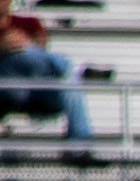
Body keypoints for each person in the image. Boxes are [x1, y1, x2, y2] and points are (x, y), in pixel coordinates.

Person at [0, 0, 94, 153]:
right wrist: (3, 46)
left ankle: (79, 148)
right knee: (24, 54)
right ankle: (80, 147)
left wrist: (26, 42)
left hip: (37, 85)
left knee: (67, 81)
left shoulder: (28, 22)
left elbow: (43, 46)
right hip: (8, 85)